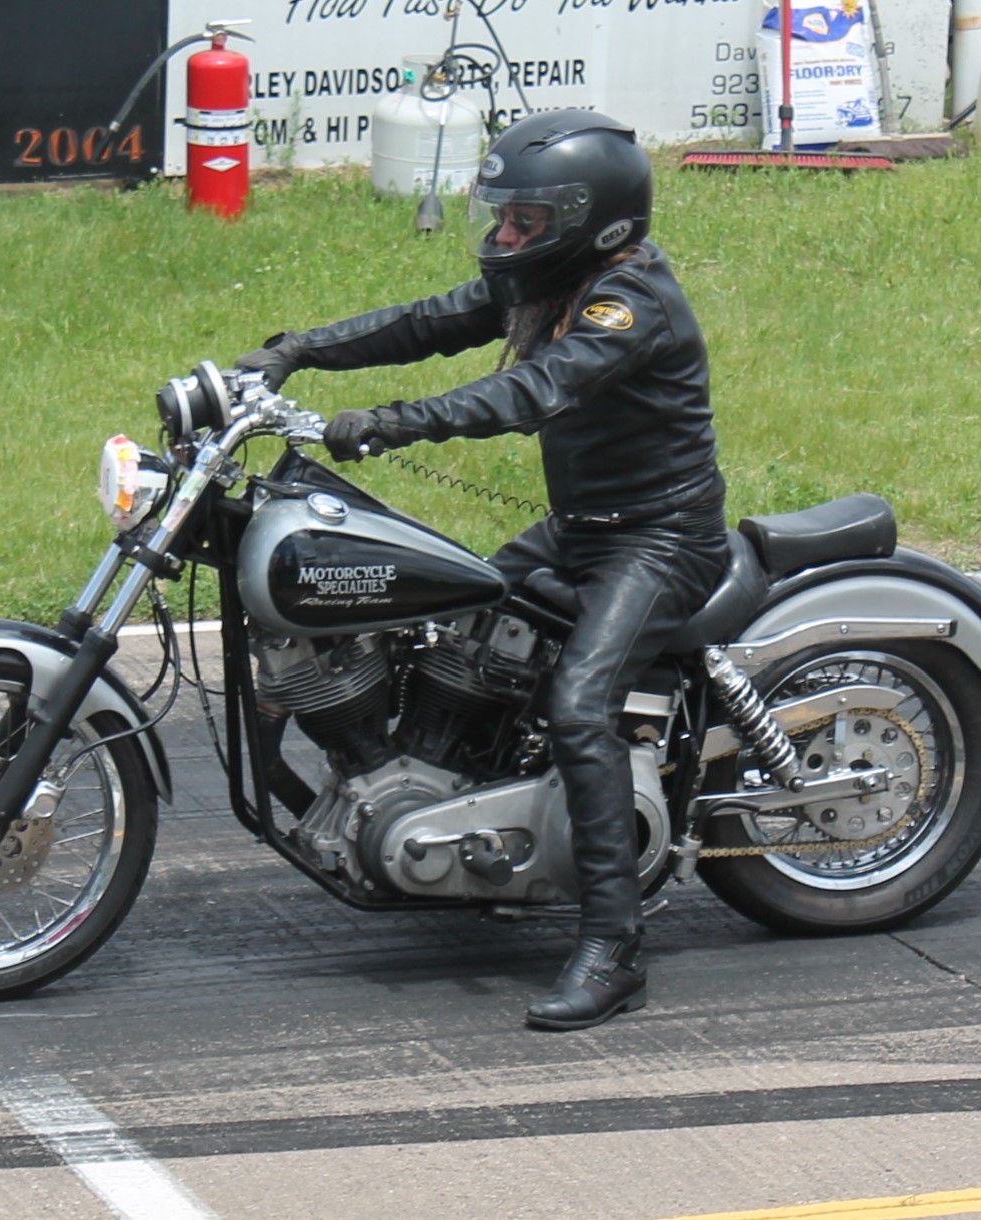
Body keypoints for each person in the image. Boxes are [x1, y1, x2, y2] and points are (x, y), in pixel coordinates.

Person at [237, 109, 729, 1031]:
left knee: (578, 707)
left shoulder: (627, 304)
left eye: (523, 222)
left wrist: (391, 423)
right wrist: (296, 351)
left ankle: (611, 949)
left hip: (657, 541)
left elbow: (534, 389)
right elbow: (426, 322)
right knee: (456, 633)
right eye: (500, 217)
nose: (503, 237)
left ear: (594, 225)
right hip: (578, 529)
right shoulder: (544, 281)